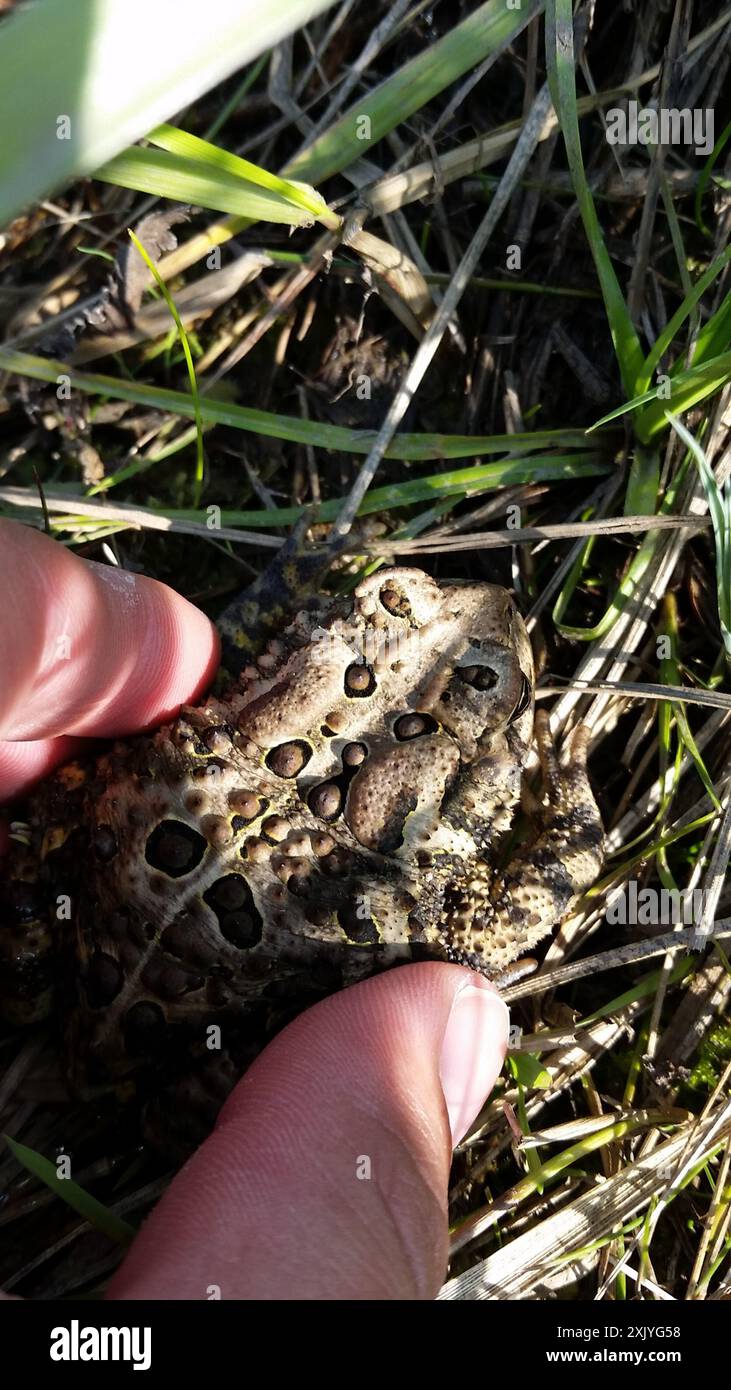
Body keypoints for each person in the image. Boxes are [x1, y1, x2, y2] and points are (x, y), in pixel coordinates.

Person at [0, 519, 508, 1300]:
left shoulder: (239, 697)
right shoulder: (399, 875)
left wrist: (312, 556)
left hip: (63, 970)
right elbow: (518, 912)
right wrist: (567, 793)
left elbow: (249, 620)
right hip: (134, 1007)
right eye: (396, 602)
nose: (481, 601)